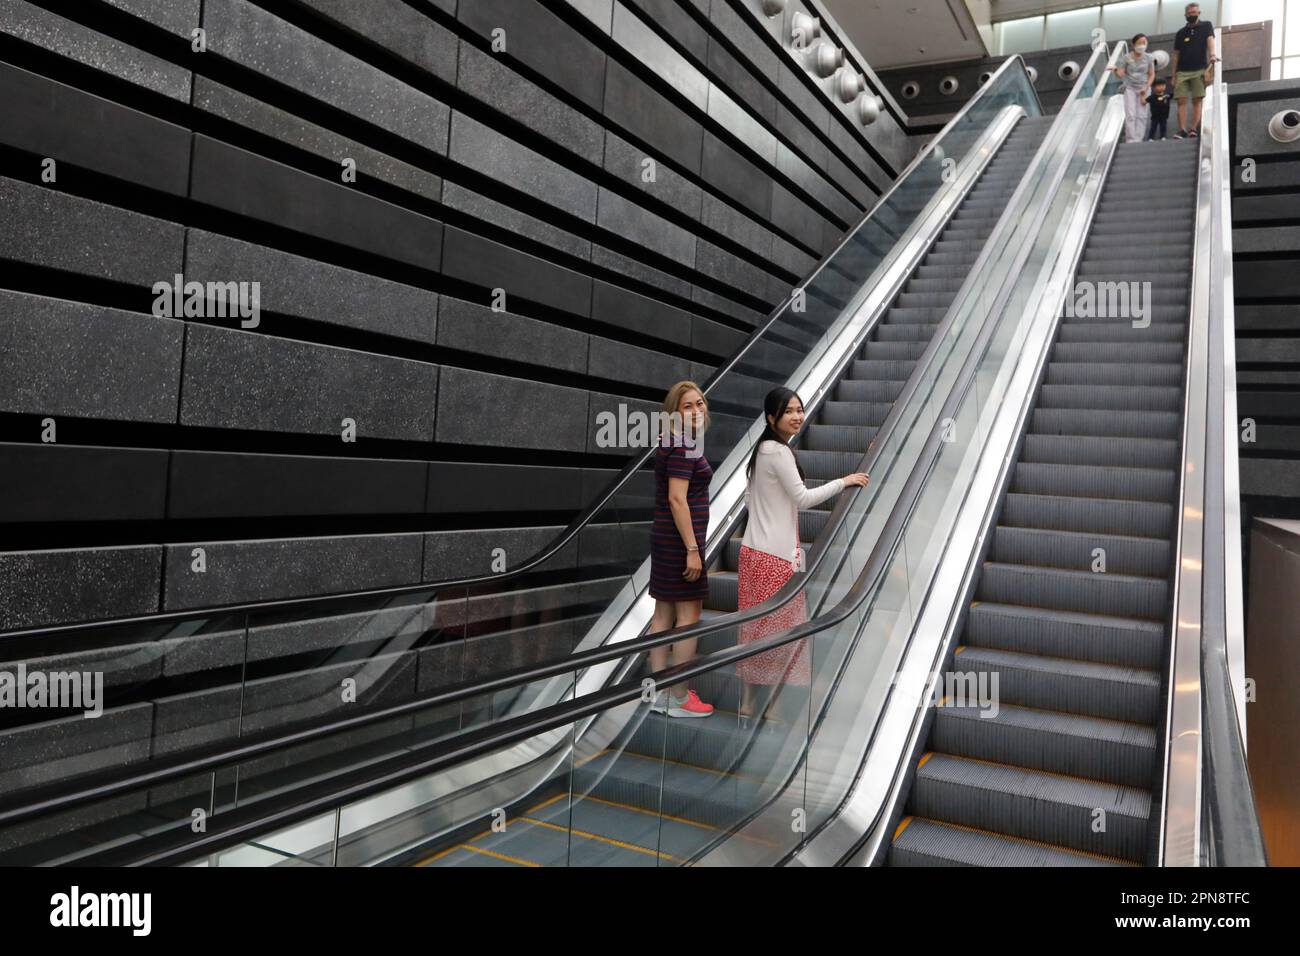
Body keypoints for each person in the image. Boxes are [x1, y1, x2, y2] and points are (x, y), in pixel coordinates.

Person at [735, 387, 868, 721]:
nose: (797, 416)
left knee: (756, 630)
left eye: (800, 409)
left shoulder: (760, 452)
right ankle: (774, 709)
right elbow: (802, 498)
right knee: (783, 635)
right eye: (789, 411)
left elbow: (752, 501)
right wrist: (845, 481)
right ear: (771, 418)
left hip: (753, 554)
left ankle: (749, 703)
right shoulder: (777, 453)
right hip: (775, 558)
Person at [647, 381, 714, 718]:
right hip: (679, 542)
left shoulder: (671, 441)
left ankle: (656, 693)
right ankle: (678, 695)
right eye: (688, 405)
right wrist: (692, 548)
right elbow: (677, 498)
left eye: (700, 403)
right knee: (688, 616)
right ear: (674, 412)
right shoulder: (685, 444)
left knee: (663, 615)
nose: (697, 410)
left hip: (665, 538)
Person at [1170, 3, 1218, 138]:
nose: (1192, 15)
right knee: (1181, 100)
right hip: (1182, 72)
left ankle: (1193, 129)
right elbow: (1176, 55)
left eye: (1195, 12)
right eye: (1190, 13)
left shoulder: (1206, 26)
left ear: (1199, 13)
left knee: (1197, 99)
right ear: (1185, 15)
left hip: (1199, 69)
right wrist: (1173, 75)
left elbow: (1210, 41)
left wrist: (1212, 55)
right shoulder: (1180, 33)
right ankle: (1182, 130)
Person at [1108, 34, 1155, 144]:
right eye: (1139, 43)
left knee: (1142, 115)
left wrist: (1146, 86)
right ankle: (1131, 139)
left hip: (1144, 88)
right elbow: (1121, 74)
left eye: (1144, 43)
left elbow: (1151, 74)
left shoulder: (1149, 57)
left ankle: (1139, 138)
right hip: (1130, 88)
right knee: (1130, 114)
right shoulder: (1126, 58)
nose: (1142, 45)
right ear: (1133, 44)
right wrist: (1115, 70)